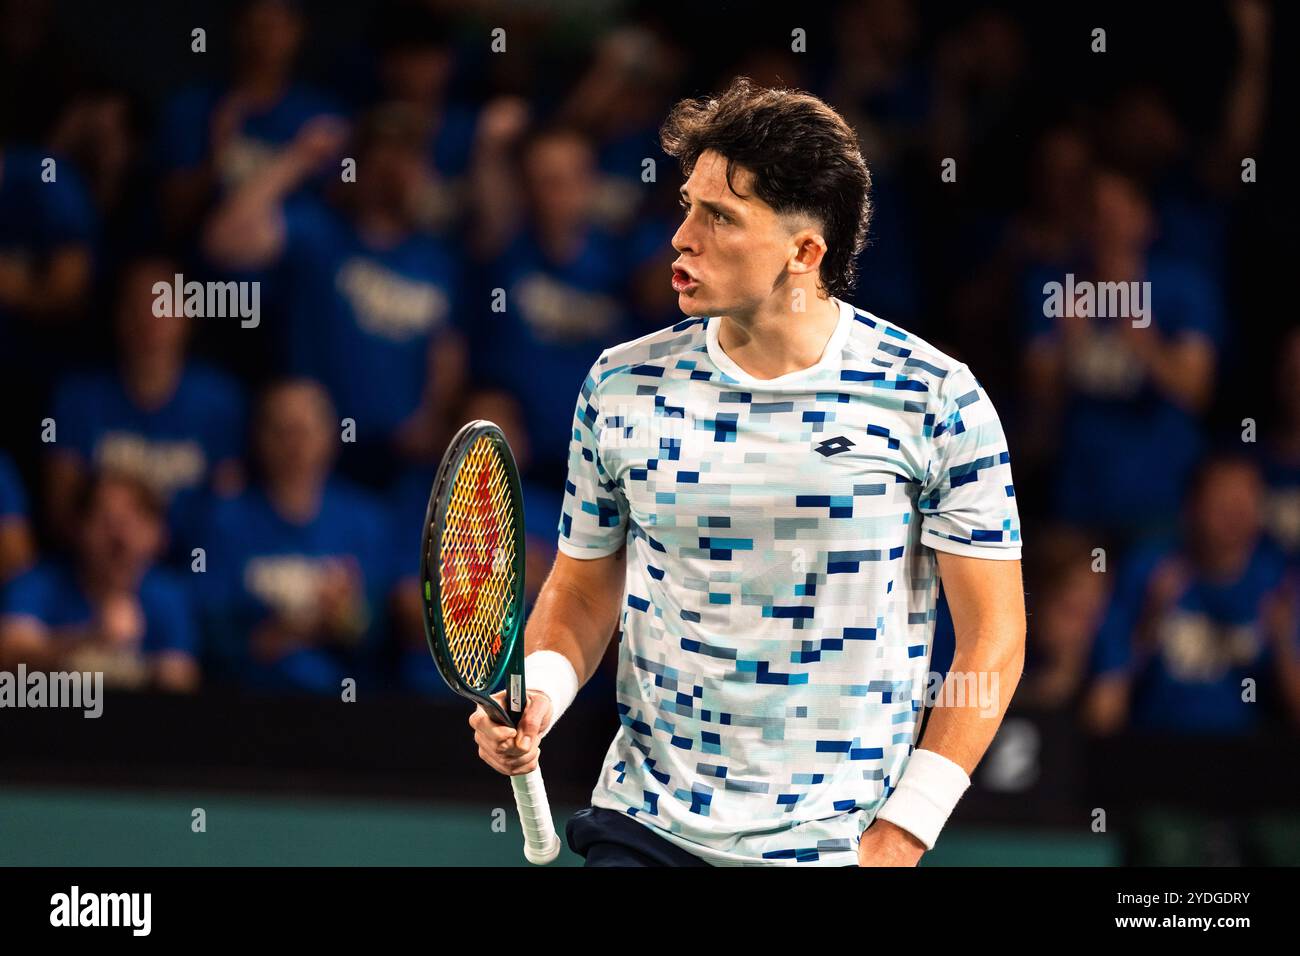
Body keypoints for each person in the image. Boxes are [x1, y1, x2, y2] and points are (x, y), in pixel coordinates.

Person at [467, 79, 1026, 867]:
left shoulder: (935, 399)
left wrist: (905, 832)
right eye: (688, 205)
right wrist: (542, 696)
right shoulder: (621, 386)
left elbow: (993, 640)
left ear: (805, 252)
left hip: (833, 847)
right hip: (646, 828)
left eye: (720, 217)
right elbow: (585, 589)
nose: (681, 237)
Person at [196, 379, 392, 694]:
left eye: (304, 431)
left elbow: (380, 627)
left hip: (344, 704)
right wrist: (280, 634)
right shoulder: (226, 521)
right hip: (247, 702)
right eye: (280, 431)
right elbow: (211, 629)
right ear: (259, 438)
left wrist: (349, 619)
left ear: (331, 437)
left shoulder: (365, 523)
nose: (294, 445)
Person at [1083, 452, 1300, 736]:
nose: (1234, 514)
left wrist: (1283, 644)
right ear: (1191, 507)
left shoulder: (1280, 583)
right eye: (1221, 502)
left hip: (1250, 757)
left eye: (1245, 500)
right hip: (1155, 750)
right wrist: (1148, 623)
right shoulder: (1149, 572)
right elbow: (1101, 714)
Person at [0, 469, 200, 693]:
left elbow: (179, 683)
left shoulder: (169, 595)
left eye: (133, 523)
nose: (120, 539)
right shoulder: (38, 583)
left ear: (159, 534)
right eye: (106, 521)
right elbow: (8, 656)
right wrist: (90, 638)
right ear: (78, 528)